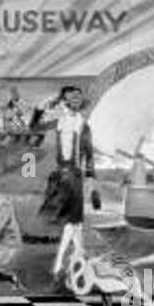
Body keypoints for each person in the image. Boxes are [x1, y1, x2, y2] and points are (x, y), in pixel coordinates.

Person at [31, 85, 96, 285]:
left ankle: (59, 264)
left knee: (72, 221)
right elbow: (34, 128)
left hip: (75, 177)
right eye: (69, 100)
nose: (72, 104)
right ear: (64, 103)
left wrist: (91, 185)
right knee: (74, 223)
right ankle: (80, 260)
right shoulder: (58, 122)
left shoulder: (83, 125)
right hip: (60, 176)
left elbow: (89, 158)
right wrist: (40, 109)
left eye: (77, 100)